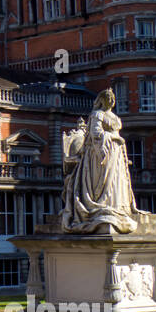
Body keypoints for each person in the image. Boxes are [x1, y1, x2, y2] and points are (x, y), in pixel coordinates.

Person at [60, 89, 141, 233]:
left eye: (112, 99)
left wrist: (116, 140)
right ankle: (102, 204)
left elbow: (114, 133)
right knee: (104, 180)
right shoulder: (97, 114)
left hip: (115, 153)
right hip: (100, 153)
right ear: (102, 100)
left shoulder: (115, 117)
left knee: (115, 182)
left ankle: (117, 205)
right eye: (108, 98)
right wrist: (114, 138)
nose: (111, 101)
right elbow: (95, 134)